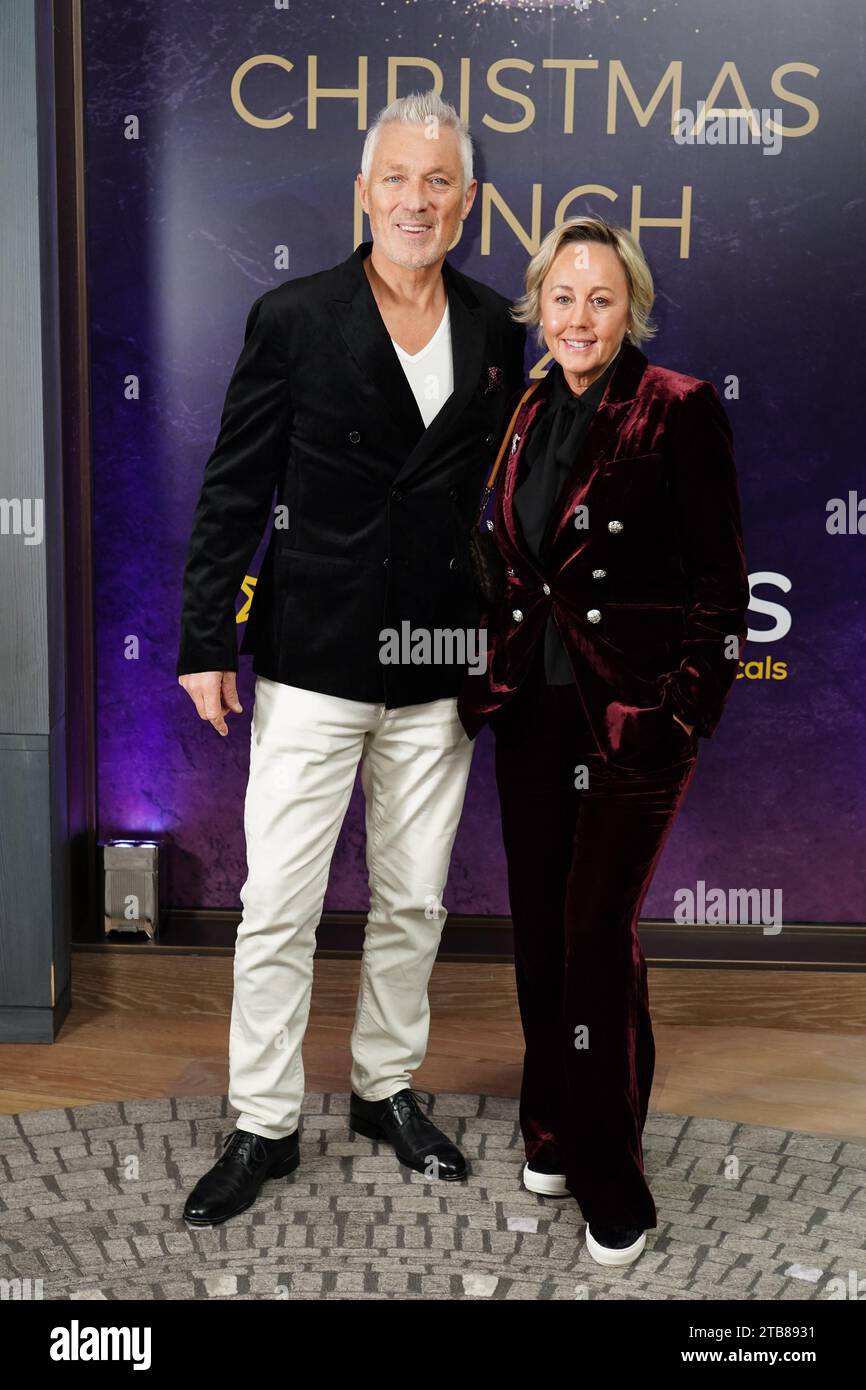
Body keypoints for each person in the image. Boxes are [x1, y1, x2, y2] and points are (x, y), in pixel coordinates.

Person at [176, 91, 526, 1225]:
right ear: (361, 194)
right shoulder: (292, 314)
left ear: (465, 205)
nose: (415, 200)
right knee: (277, 901)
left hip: (434, 659)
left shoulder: (491, 327)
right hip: (314, 652)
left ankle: (384, 1089)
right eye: (396, 179)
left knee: (414, 899)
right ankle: (263, 1122)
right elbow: (235, 486)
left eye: (438, 183)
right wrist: (201, 641)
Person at [458, 215, 749, 1268]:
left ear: (631, 310)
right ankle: (548, 1123)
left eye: (601, 299)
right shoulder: (522, 406)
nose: (579, 318)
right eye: (563, 298)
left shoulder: (674, 408)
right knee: (539, 934)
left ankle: (607, 1172)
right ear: (536, 306)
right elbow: (503, 560)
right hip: (529, 714)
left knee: (593, 938)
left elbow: (721, 587)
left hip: (630, 722)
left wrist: (680, 708)